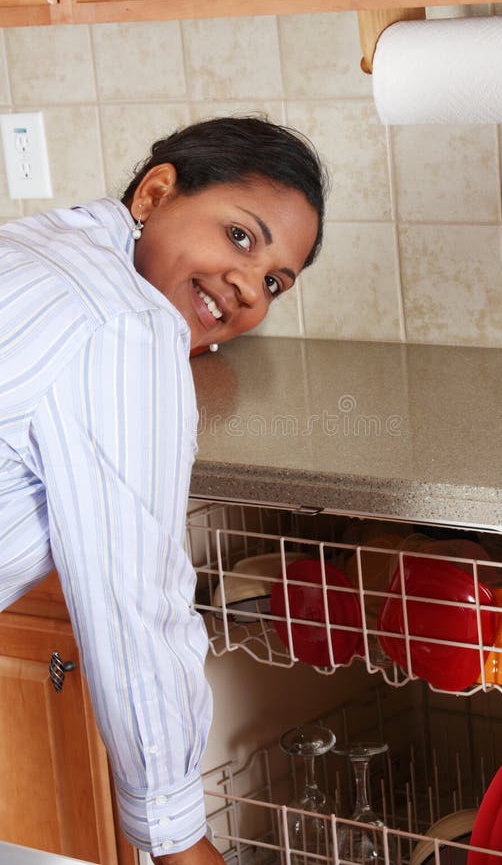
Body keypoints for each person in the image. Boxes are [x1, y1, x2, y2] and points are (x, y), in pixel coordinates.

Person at [0, 116, 327, 864]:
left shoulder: (50, 250)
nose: (249, 285)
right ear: (156, 191)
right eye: (241, 237)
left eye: (275, 281)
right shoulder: (126, 327)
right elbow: (134, 605)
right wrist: (180, 844)